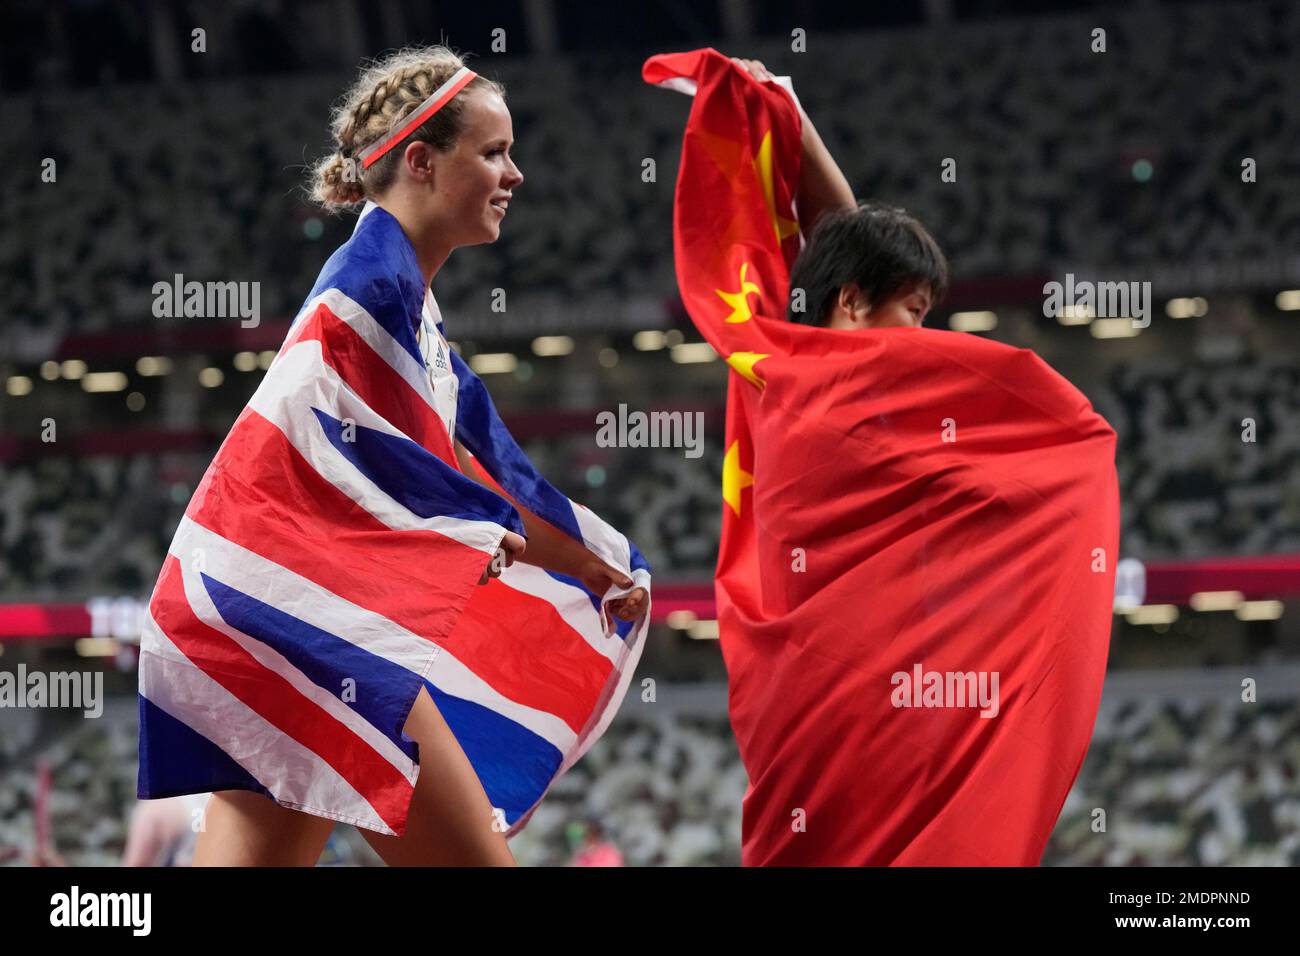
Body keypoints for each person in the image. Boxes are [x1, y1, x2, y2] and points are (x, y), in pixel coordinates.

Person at [138, 46, 649, 867]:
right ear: (420, 161)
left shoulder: (411, 311)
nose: (514, 174)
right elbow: (331, 461)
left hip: (269, 623)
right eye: (492, 153)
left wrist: (589, 568)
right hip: (302, 626)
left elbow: (489, 473)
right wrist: (464, 529)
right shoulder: (368, 287)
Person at [647, 49, 1118, 865]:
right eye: (918, 309)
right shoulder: (876, 388)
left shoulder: (770, 359)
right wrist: (792, 121)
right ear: (857, 304)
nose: (930, 337)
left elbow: (851, 247)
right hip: (872, 695)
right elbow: (1072, 437)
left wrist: (794, 123)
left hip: (802, 696)